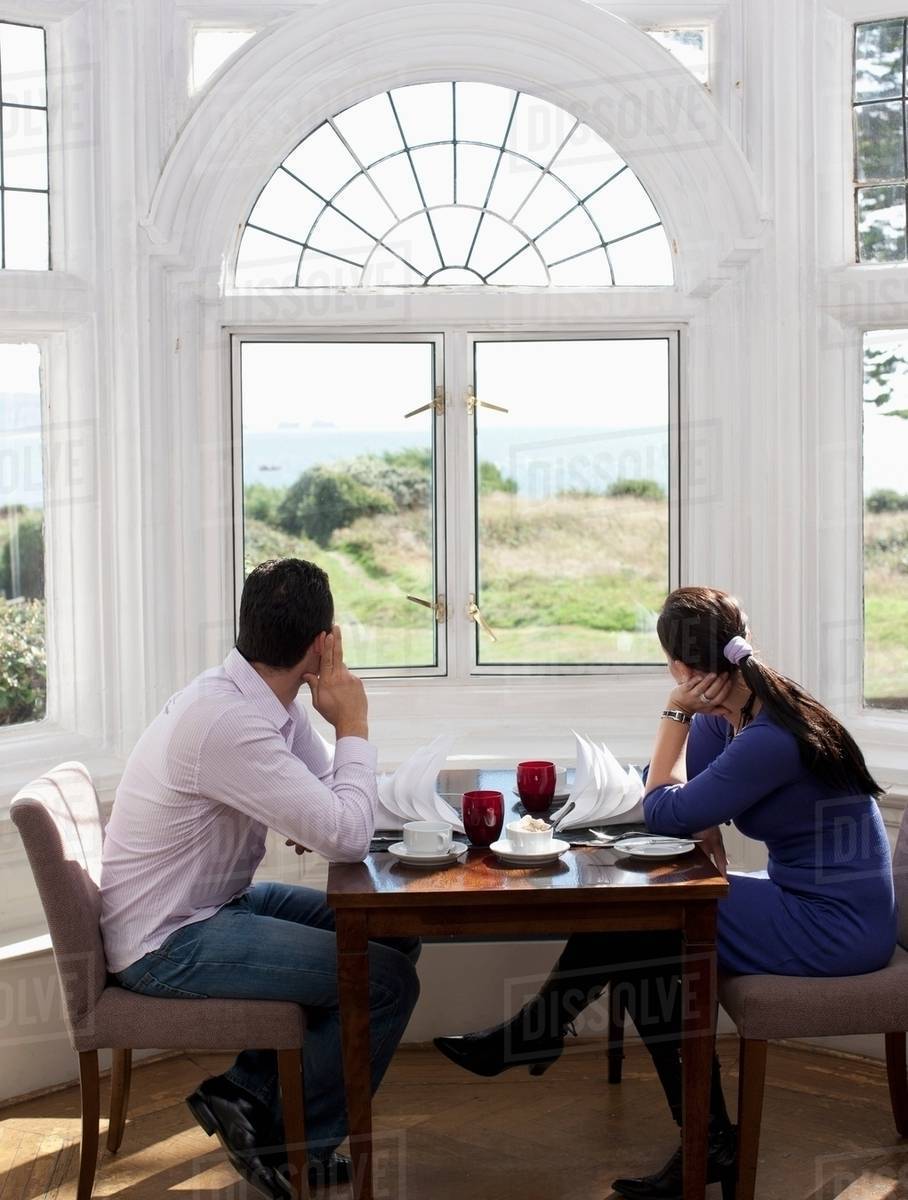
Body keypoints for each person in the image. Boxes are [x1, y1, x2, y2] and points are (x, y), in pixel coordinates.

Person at [435, 585, 897, 1200]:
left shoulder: (770, 736)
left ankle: (541, 1036)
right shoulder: (742, 710)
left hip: (835, 926)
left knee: (643, 923)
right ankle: (701, 1135)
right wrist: (697, 823)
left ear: (681, 667)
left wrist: (673, 714)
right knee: (643, 937)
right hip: (803, 896)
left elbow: (662, 809)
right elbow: (689, 805)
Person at [100, 558, 420, 1199]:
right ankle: (295, 1143)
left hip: (214, 906)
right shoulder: (231, 723)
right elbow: (346, 832)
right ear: (321, 645)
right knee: (382, 982)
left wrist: (321, 809)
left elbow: (334, 809)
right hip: (168, 942)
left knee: (394, 929)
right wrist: (354, 725)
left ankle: (243, 1093)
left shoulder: (256, 697)